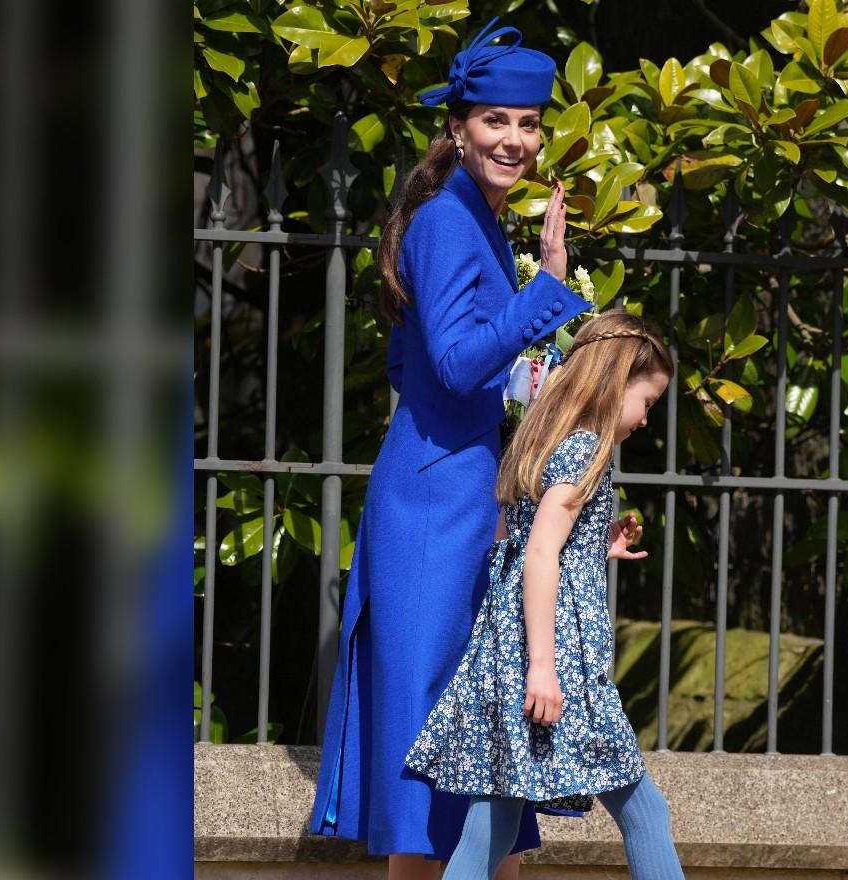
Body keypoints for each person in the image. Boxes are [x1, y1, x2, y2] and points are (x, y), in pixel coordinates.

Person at [308, 16, 593, 880]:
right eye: (495, 121)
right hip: (433, 505)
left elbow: (442, 368)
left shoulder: (474, 218)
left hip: (462, 494)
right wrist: (546, 289)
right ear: (460, 127)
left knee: (469, 736)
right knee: (431, 733)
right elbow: (456, 358)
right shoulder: (445, 222)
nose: (515, 139)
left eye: (529, 123)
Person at [405, 311, 686, 880]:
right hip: (558, 658)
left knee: (493, 820)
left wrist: (594, 546)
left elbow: (523, 540)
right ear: (614, 382)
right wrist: (543, 667)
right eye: (648, 401)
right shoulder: (587, 449)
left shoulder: (543, 435)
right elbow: (539, 555)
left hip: (518, 646)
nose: (646, 419)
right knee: (645, 811)